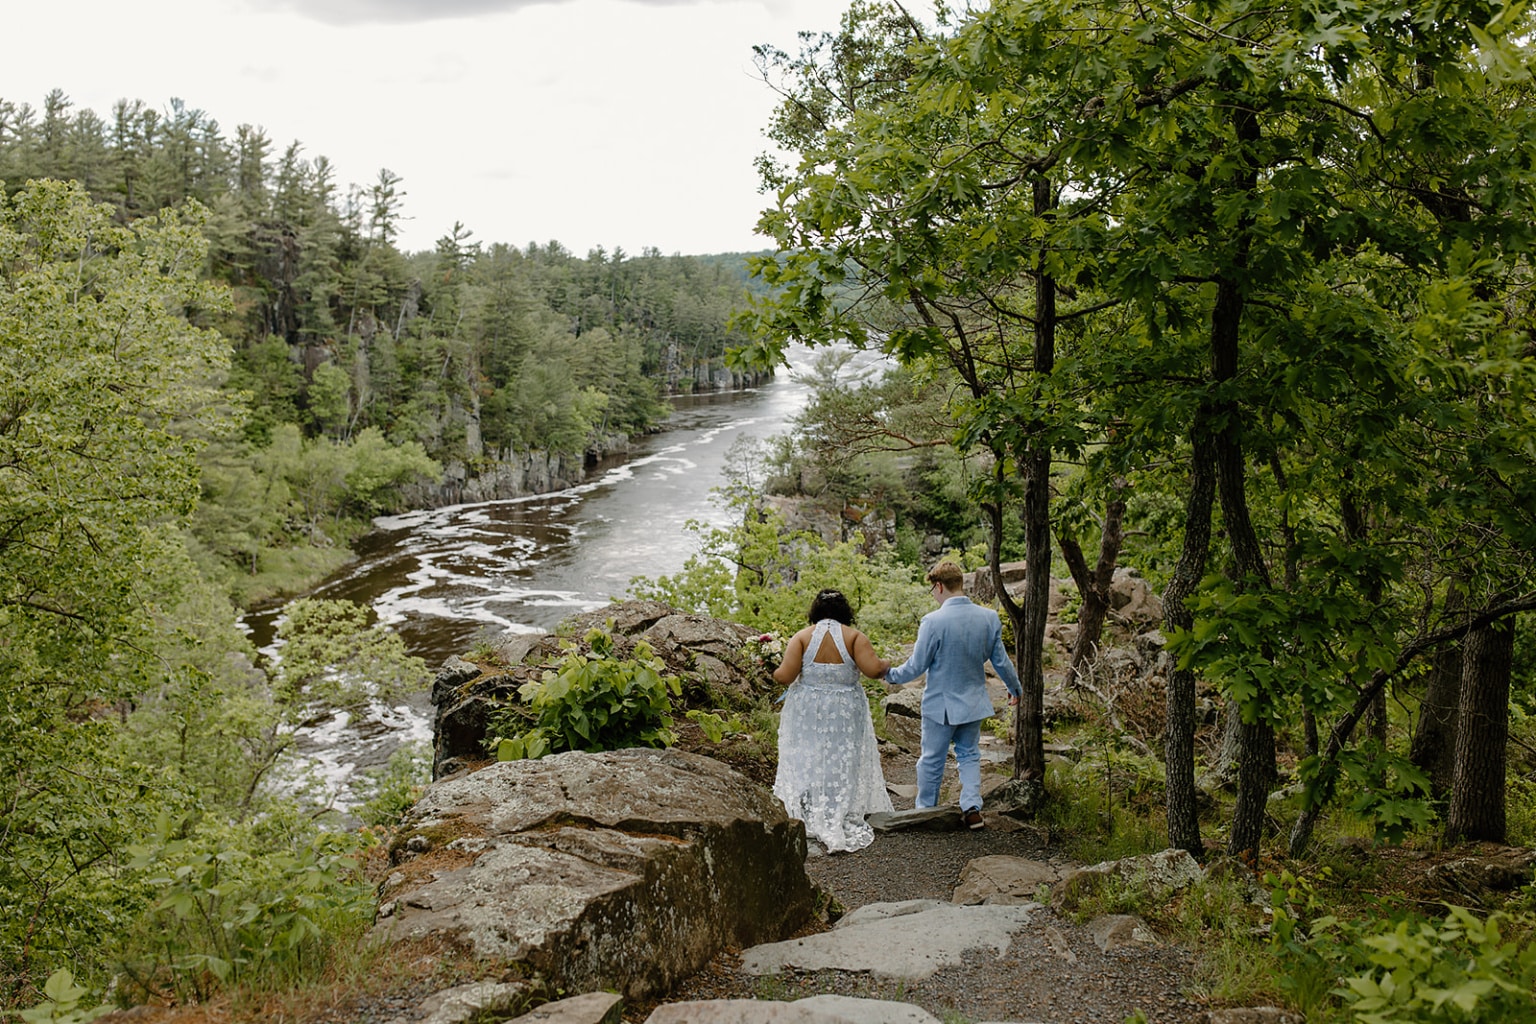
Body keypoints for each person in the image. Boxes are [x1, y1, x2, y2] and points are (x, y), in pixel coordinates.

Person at [884, 561, 1022, 830]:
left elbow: (916, 666)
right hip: (973, 703)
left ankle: (926, 810)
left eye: (932, 590)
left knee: (932, 759)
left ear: (938, 586)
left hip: (941, 705)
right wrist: (1014, 688)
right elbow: (1002, 662)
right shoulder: (988, 618)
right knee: (969, 755)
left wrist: (888, 674)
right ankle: (972, 808)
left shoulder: (933, 621)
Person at [771, 589, 895, 853]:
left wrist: (769, 666)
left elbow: (784, 676)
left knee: (809, 753)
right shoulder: (854, 638)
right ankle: (840, 806)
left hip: (808, 709)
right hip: (844, 709)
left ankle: (810, 805)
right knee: (843, 755)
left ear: (815, 611)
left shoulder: (802, 637)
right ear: (845, 611)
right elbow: (873, 671)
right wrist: (886, 663)